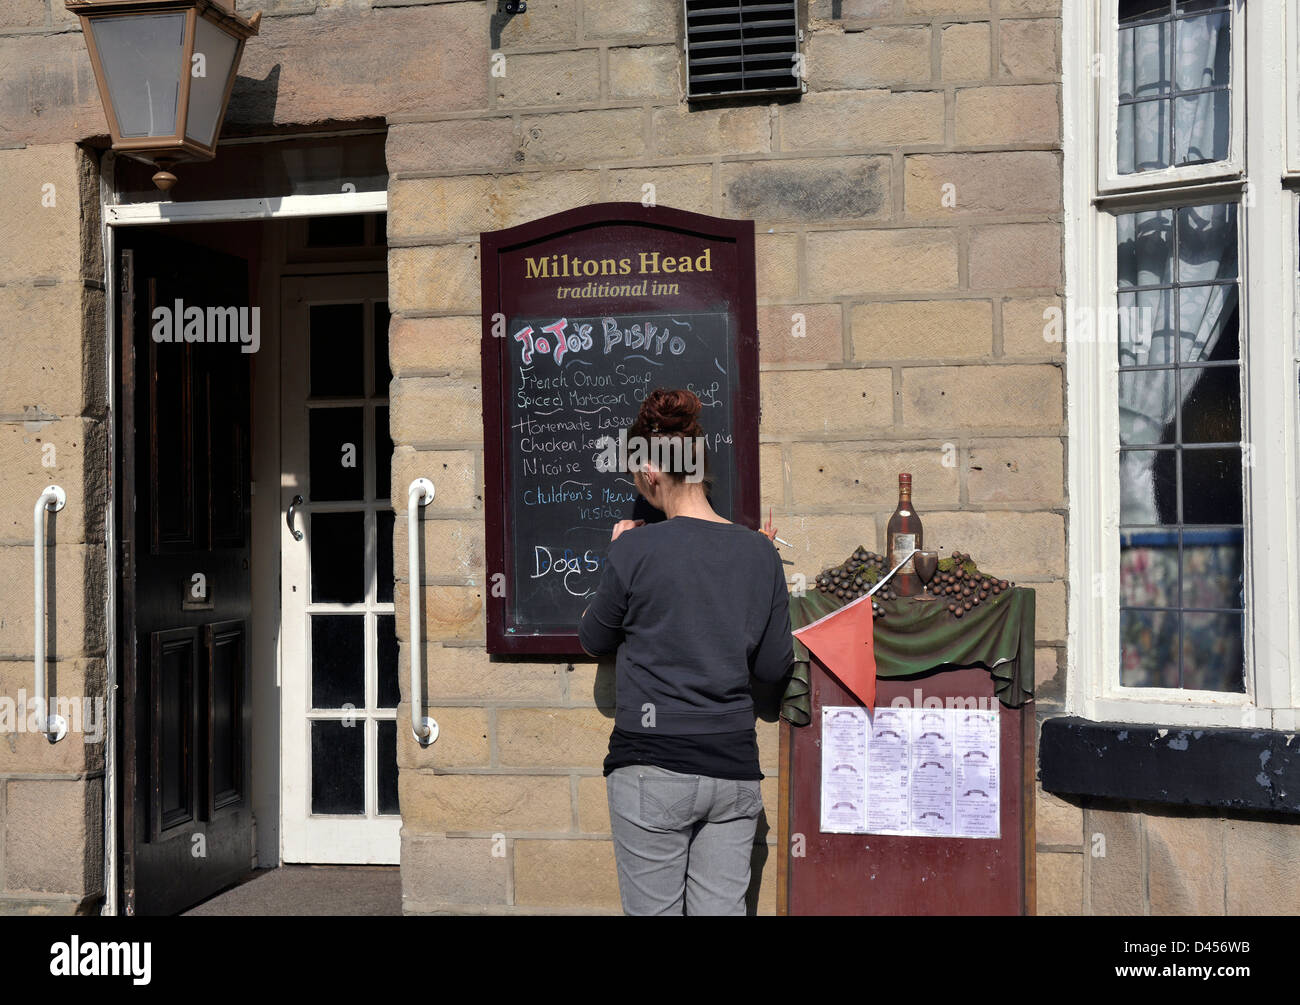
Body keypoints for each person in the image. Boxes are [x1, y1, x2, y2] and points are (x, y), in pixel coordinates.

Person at [578, 388, 795, 916]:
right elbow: (772, 667)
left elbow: (594, 639)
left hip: (651, 767)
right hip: (733, 772)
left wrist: (618, 553)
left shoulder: (634, 548)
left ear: (651, 471)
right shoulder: (759, 552)